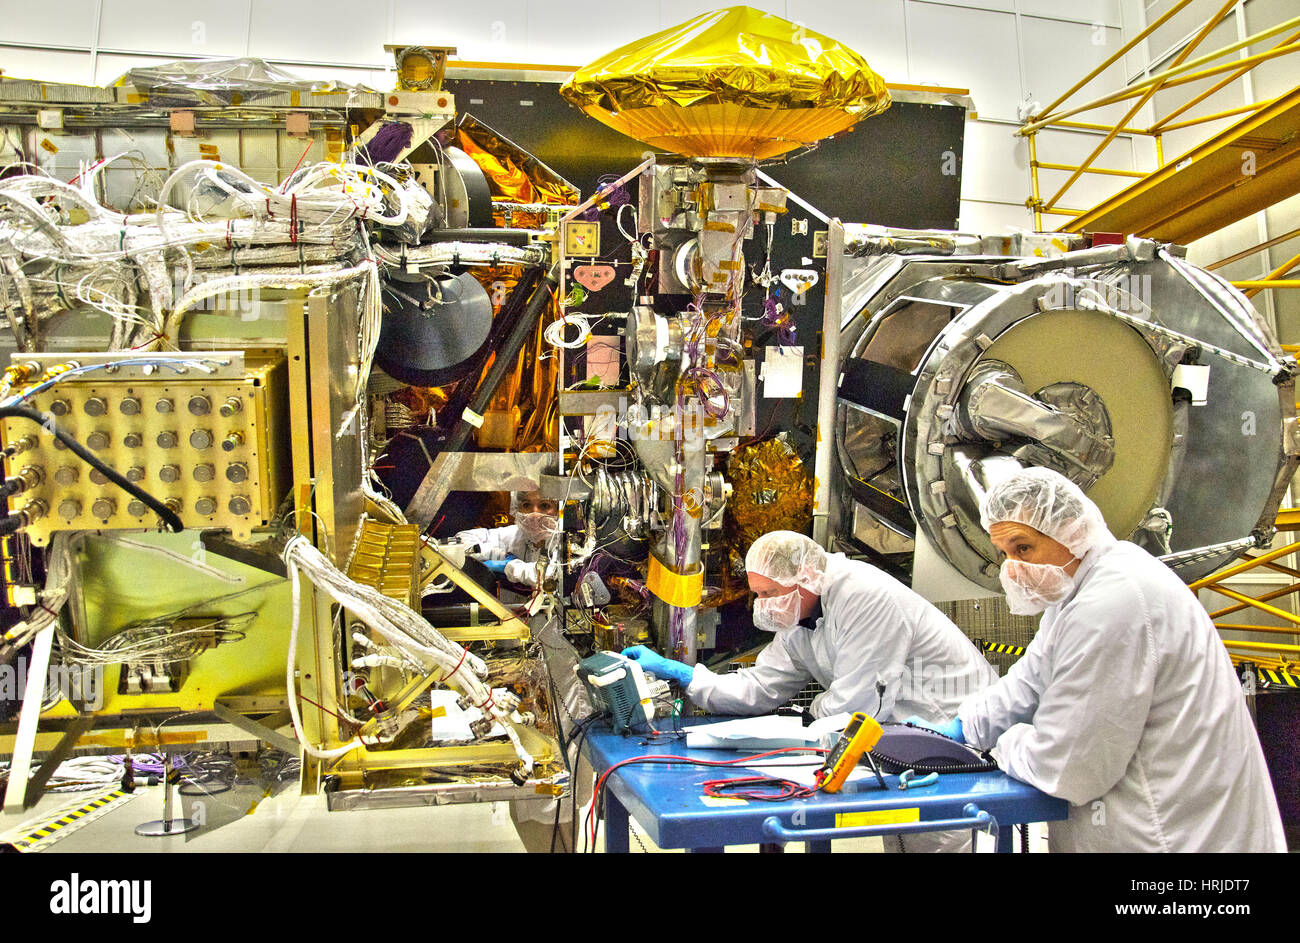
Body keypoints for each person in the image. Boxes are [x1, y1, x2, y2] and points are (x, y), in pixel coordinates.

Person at [912, 466, 1286, 853]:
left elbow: (1070, 768)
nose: (1014, 568)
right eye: (1005, 553)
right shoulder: (1084, 584)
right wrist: (959, 729)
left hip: (1174, 833)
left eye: (1023, 548)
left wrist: (999, 746)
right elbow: (1032, 677)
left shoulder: (1113, 600)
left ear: (1070, 529)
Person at [624, 530, 999, 852]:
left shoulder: (864, 595)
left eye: (770, 592)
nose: (764, 606)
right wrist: (687, 676)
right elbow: (762, 686)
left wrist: (801, 722)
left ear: (805, 578)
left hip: (953, 734)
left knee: (936, 839)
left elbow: (858, 705)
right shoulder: (800, 615)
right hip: (900, 743)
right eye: (758, 594)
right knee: (903, 838)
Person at [454, 489, 592, 853]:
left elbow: (557, 575)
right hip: (521, 675)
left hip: (567, 680)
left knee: (567, 776)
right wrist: (495, 554)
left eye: (545, 505)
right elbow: (462, 542)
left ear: (559, 507)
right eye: (526, 505)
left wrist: (521, 570)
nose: (535, 514)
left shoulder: (574, 544)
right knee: (525, 774)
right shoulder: (511, 536)